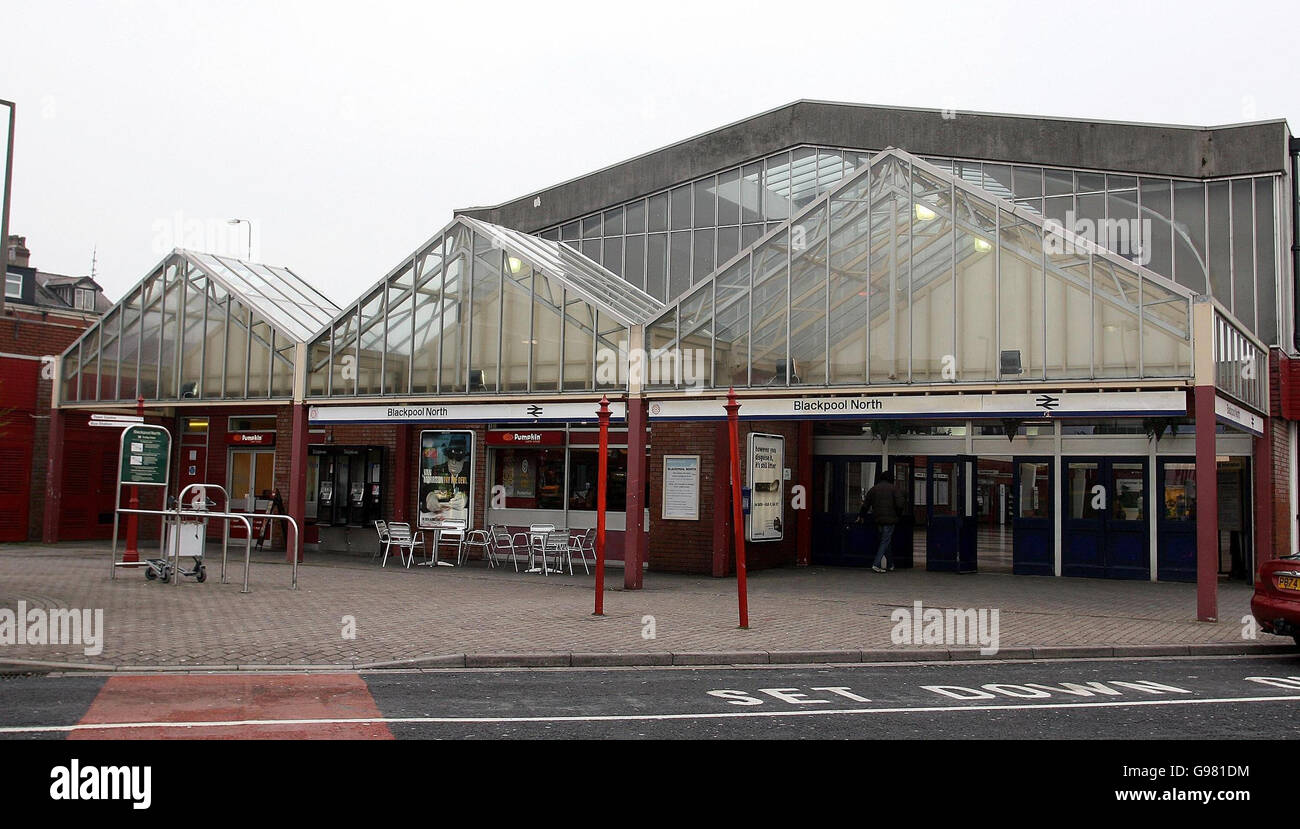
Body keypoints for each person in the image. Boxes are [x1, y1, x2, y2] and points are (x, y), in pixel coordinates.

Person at [859, 470, 907, 573]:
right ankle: (876, 564)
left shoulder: (874, 489)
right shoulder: (894, 489)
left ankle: (890, 564)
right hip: (890, 520)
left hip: (878, 519)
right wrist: (898, 515)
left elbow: (866, 504)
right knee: (885, 541)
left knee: (886, 541)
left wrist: (861, 515)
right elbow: (900, 504)